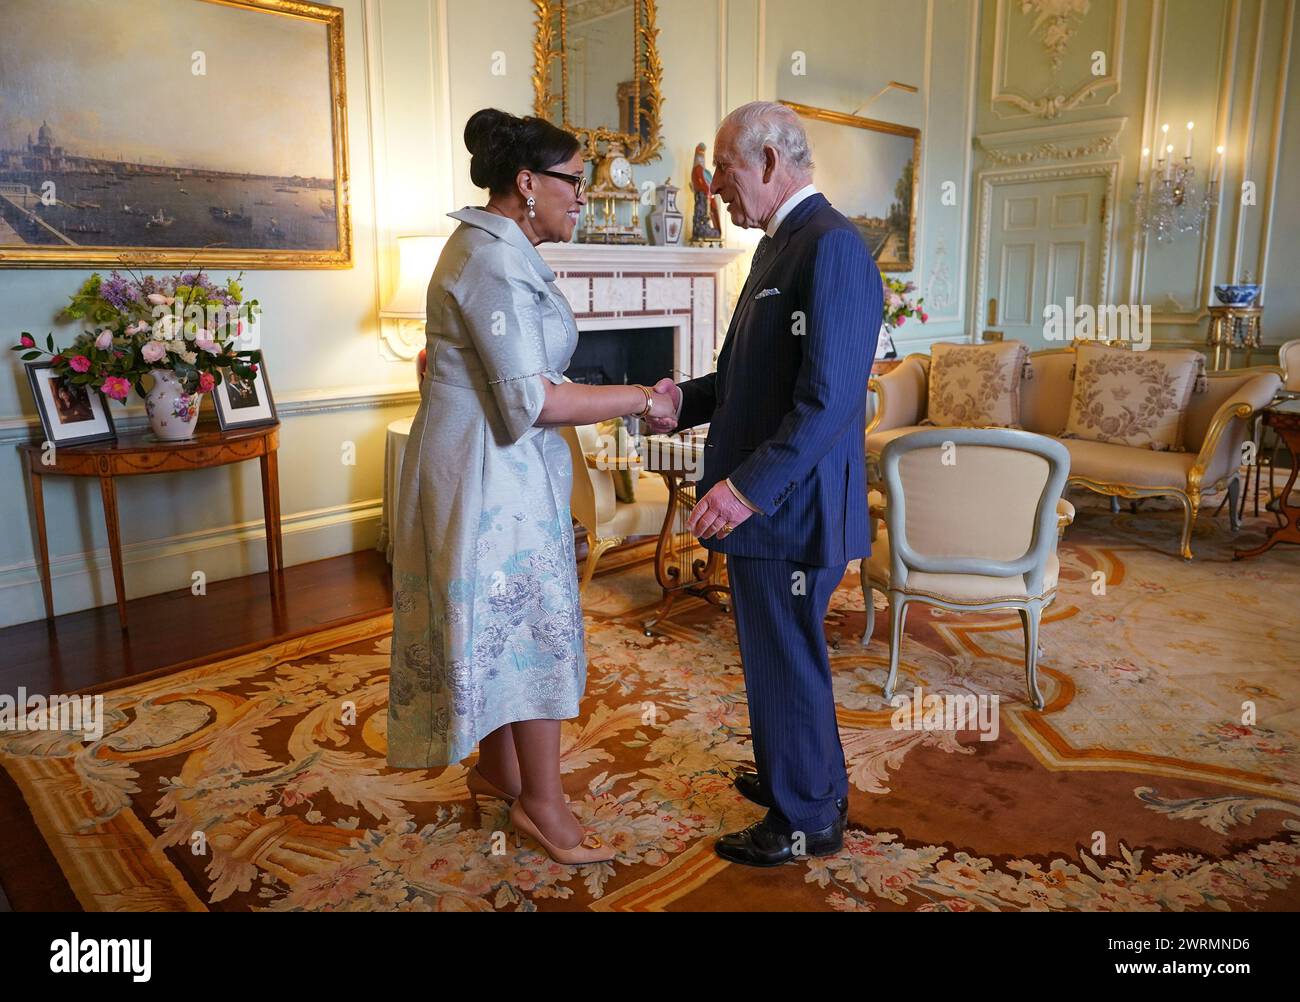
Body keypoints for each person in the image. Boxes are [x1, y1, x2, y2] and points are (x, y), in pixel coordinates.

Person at [387, 108, 677, 865]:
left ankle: (500, 770)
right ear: (526, 183)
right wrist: (645, 397)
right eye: (575, 182)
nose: (584, 197)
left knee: (498, 620)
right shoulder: (490, 258)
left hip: (487, 462)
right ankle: (543, 808)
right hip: (489, 471)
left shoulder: (494, 249)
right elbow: (534, 401)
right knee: (532, 623)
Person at [646, 101, 883, 867]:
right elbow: (750, 379)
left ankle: (803, 819)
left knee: (784, 659)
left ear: (771, 162)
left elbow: (827, 401)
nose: (714, 185)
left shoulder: (832, 247)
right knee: (787, 656)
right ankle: (811, 781)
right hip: (779, 504)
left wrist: (745, 491)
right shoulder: (777, 249)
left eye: (723, 168)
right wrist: (684, 399)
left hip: (791, 508)